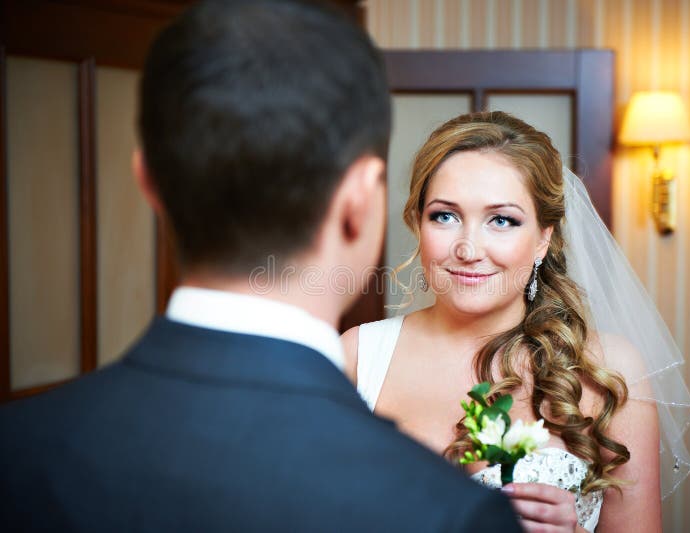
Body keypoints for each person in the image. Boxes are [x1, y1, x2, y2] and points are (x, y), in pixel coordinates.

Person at [0, 3, 522, 532]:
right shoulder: (447, 512)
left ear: (148, 182)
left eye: (501, 220)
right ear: (360, 201)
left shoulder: (15, 452)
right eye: (446, 216)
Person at [343, 111, 690, 533]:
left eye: (502, 220)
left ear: (543, 238)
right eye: (445, 216)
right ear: (419, 223)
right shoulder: (357, 356)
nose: (469, 248)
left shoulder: (611, 370)